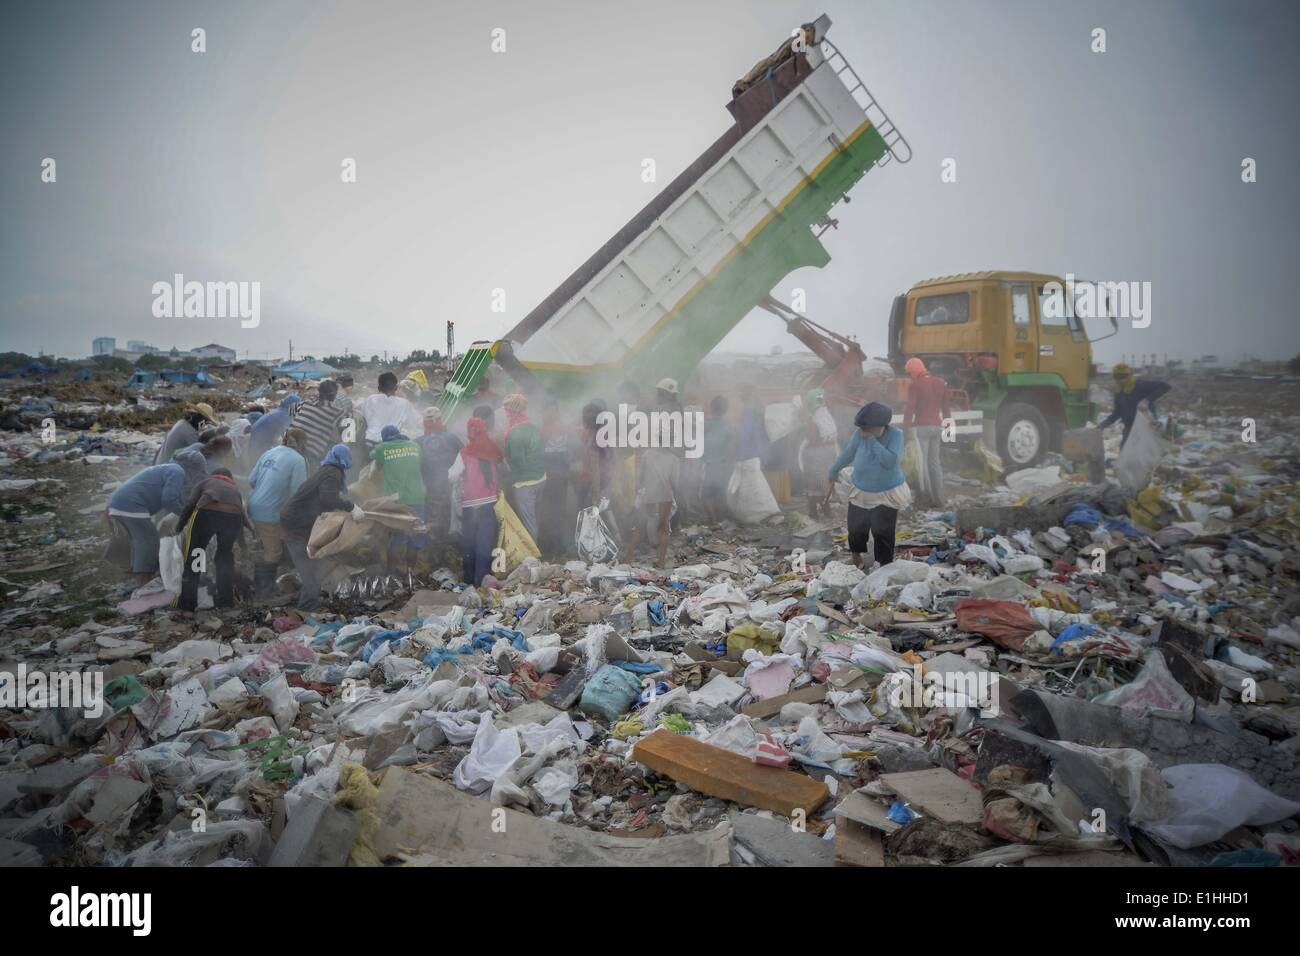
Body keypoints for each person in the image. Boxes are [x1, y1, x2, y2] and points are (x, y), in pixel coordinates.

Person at [105, 450, 208, 587]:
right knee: (149, 541)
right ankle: (143, 581)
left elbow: (173, 497)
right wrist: (186, 516)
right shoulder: (177, 471)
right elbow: (169, 500)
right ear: (192, 467)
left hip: (120, 503)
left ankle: (132, 572)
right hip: (131, 505)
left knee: (138, 540)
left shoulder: (169, 468)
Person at [828, 402, 910, 569]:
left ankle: (884, 566)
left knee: (883, 532)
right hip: (861, 489)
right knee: (856, 528)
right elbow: (849, 452)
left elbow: (890, 462)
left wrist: (872, 441)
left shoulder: (896, 435)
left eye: (869, 428)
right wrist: (833, 470)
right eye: (863, 427)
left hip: (886, 492)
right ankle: (856, 557)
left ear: (881, 425)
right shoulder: (860, 433)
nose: (865, 431)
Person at [280, 444, 360, 611]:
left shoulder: (326, 469)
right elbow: (327, 498)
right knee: (309, 569)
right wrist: (350, 507)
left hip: (296, 521)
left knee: (313, 565)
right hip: (297, 524)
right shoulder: (333, 472)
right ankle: (306, 608)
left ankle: (305, 598)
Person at [174, 466, 253, 612]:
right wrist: (243, 546)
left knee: (196, 556)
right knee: (225, 557)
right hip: (233, 518)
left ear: (213, 476)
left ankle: (187, 607)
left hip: (206, 513)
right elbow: (241, 518)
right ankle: (226, 602)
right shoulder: (234, 490)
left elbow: (190, 504)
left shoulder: (205, 482)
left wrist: (179, 526)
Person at [247, 428, 308, 602]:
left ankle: (270, 582)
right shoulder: (298, 460)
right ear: (302, 444)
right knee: (273, 552)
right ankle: (263, 593)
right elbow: (299, 492)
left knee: (273, 544)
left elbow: (252, 480)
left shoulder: (269, 452)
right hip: (270, 511)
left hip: (253, 506)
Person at [628, 378, 682, 569]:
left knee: (640, 525)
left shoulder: (648, 454)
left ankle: (628, 557)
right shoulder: (672, 457)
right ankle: (660, 561)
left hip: (648, 491)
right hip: (665, 493)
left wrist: (639, 489)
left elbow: (640, 477)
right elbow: (675, 482)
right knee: (663, 526)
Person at [449, 415, 501, 586]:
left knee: (470, 542)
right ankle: (482, 579)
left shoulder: (465, 452)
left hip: (471, 505)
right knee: (485, 542)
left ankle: (469, 580)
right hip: (490, 503)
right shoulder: (492, 448)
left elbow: (452, 476)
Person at [370, 423, 427, 570]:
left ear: (384, 439)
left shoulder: (382, 447)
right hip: (417, 498)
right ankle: (410, 576)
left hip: (397, 501)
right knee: (415, 537)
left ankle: (391, 576)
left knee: (397, 538)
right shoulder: (415, 446)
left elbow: (375, 464)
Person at [902, 357, 951, 508]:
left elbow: (909, 410)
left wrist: (904, 432)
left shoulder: (916, 385)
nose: (910, 376)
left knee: (922, 465)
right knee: (935, 463)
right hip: (937, 427)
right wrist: (949, 433)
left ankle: (925, 498)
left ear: (914, 371)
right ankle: (939, 499)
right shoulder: (940, 383)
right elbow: (946, 410)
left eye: (910, 373)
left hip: (921, 428)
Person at [415, 406, 463, 555]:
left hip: (431, 489)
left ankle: (436, 556)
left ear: (424, 424)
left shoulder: (417, 442)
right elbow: (465, 457)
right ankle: (455, 551)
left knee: (434, 522)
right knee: (454, 519)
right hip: (452, 488)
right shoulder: (452, 438)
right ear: (441, 421)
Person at [501, 393, 546, 546]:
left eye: (507, 410)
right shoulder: (532, 426)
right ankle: (537, 546)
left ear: (512, 411)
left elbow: (518, 463)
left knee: (528, 521)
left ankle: (533, 555)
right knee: (535, 516)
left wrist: (504, 483)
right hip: (540, 477)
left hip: (525, 483)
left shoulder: (515, 433)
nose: (505, 413)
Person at [1099, 363, 1172, 449]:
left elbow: (1165, 386)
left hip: (1146, 425)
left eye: (1122, 376)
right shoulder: (1119, 392)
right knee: (1125, 449)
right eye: (1117, 376)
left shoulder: (1140, 385)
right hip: (1129, 426)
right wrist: (1102, 425)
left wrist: (1147, 400)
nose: (1120, 379)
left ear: (1129, 375)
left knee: (1144, 451)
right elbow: (1117, 412)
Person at [539, 398, 572, 556]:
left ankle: (557, 545)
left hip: (559, 476)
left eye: (553, 409)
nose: (550, 413)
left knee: (557, 511)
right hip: (547, 476)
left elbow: (571, 451)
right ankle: (550, 544)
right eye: (548, 410)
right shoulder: (542, 429)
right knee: (548, 511)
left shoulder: (564, 428)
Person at [798, 389, 839, 518]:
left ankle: (815, 511)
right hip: (826, 454)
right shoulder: (825, 414)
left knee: (814, 483)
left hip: (817, 455)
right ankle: (824, 510)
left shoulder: (815, 416)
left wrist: (806, 421)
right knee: (823, 483)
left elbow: (813, 437)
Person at [292, 378, 347, 470]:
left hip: (287, 447)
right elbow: (349, 435)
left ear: (319, 392)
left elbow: (290, 413)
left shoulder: (304, 403)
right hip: (307, 456)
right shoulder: (337, 412)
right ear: (334, 395)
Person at [357, 371, 421, 450]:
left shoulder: (370, 400)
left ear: (379, 388)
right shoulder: (405, 404)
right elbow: (416, 422)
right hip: (392, 446)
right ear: (396, 388)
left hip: (370, 442)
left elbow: (358, 412)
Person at [701, 395, 733, 522]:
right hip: (722, 464)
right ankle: (720, 519)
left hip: (708, 465)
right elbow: (730, 447)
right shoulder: (727, 425)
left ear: (712, 408)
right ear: (725, 409)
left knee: (705, 495)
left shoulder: (705, 424)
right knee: (720, 493)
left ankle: (713, 520)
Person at [247, 394, 302, 464]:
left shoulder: (279, 411)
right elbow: (287, 436)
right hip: (260, 448)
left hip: (254, 446)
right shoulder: (285, 415)